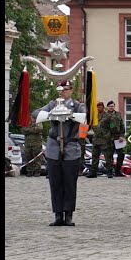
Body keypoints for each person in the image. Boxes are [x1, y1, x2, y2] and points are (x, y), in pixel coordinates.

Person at [33, 79, 85, 226]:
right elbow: (35, 113)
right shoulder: (53, 104)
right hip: (54, 147)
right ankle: (58, 215)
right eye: (60, 90)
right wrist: (52, 114)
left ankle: (68, 215)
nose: (62, 92)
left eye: (65, 89)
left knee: (69, 183)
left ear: (71, 90)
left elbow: (86, 118)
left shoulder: (78, 106)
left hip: (71, 147)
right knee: (55, 182)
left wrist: (69, 114)